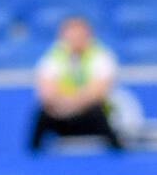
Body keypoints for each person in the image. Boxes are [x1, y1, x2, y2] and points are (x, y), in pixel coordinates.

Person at [29, 16, 122, 153]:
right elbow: (45, 92)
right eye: (71, 35)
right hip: (61, 114)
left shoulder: (100, 55)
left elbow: (97, 93)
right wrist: (65, 105)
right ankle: (31, 162)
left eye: (79, 35)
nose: (75, 39)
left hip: (89, 115)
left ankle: (120, 160)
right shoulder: (54, 56)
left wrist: (71, 103)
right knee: (42, 115)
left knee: (99, 113)